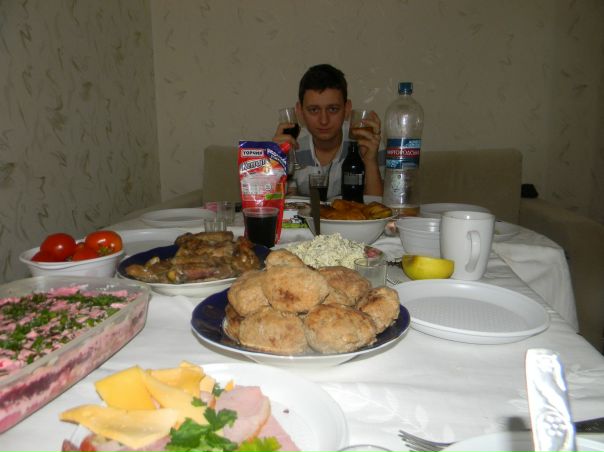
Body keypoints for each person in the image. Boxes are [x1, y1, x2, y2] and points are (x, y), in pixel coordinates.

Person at [272, 64, 385, 199]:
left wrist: (370, 161)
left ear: (347, 109)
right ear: (300, 111)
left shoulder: (366, 142)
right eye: (314, 110)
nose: (324, 120)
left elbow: (376, 207)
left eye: (333, 109)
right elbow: (276, 204)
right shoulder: (291, 145)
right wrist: (273, 162)